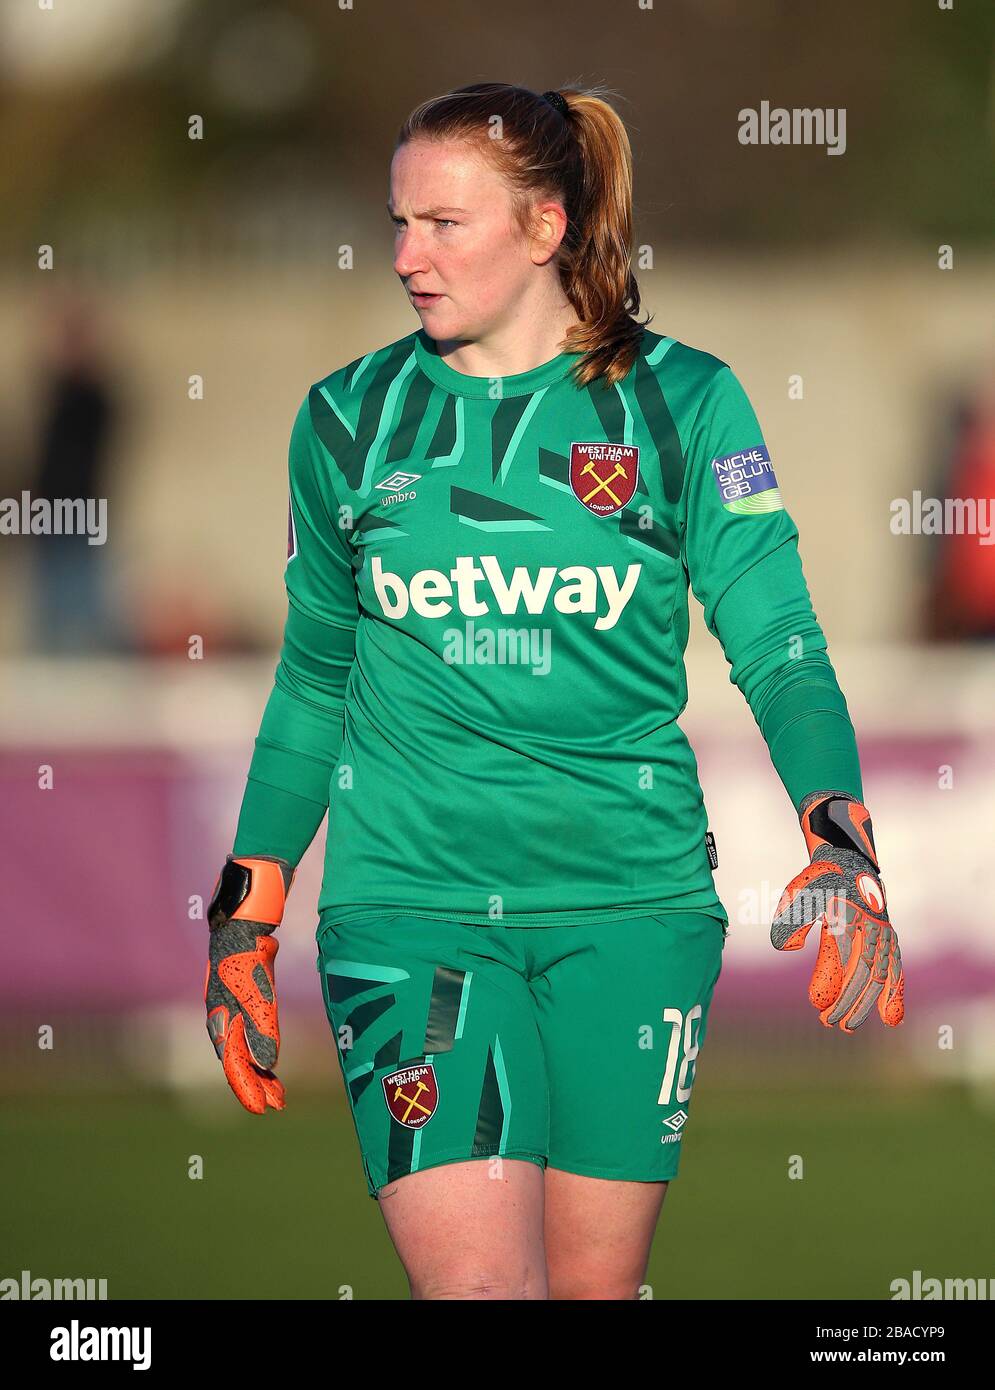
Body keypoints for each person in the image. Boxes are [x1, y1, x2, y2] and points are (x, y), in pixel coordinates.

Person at [203, 83, 904, 1301]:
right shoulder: (346, 422)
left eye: (441, 224)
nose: (403, 257)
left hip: (631, 911)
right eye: (396, 222)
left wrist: (838, 834)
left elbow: (781, 648)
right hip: (407, 917)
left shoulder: (685, 406)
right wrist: (245, 907)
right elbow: (315, 680)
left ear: (544, 227)